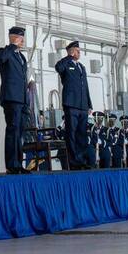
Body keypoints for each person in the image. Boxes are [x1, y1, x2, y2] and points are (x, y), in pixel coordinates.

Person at [54, 40, 94, 170]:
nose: (79, 52)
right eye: (77, 50)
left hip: (82, 105)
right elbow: (58, 67)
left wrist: (89, 104)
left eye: (79, 50)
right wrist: (69, 56)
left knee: (82, 134)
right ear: (71, 51)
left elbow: (86, 87)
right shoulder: (66, 64)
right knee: (71, 133)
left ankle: (81, 160)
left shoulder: (81, 67)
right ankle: (73, 162)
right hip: (71, 104)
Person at [0, 26, 29, 174]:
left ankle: (19, 163)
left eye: (23, 38)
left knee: (20, 132)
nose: (22, 41)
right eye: (20, 38)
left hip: (22, 99)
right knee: (12, 130)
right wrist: (12, 45)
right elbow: (2, 58)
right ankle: (11, 164)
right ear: (13, 37)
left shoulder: (22, 57)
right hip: (11, 98)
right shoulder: (3, 51)